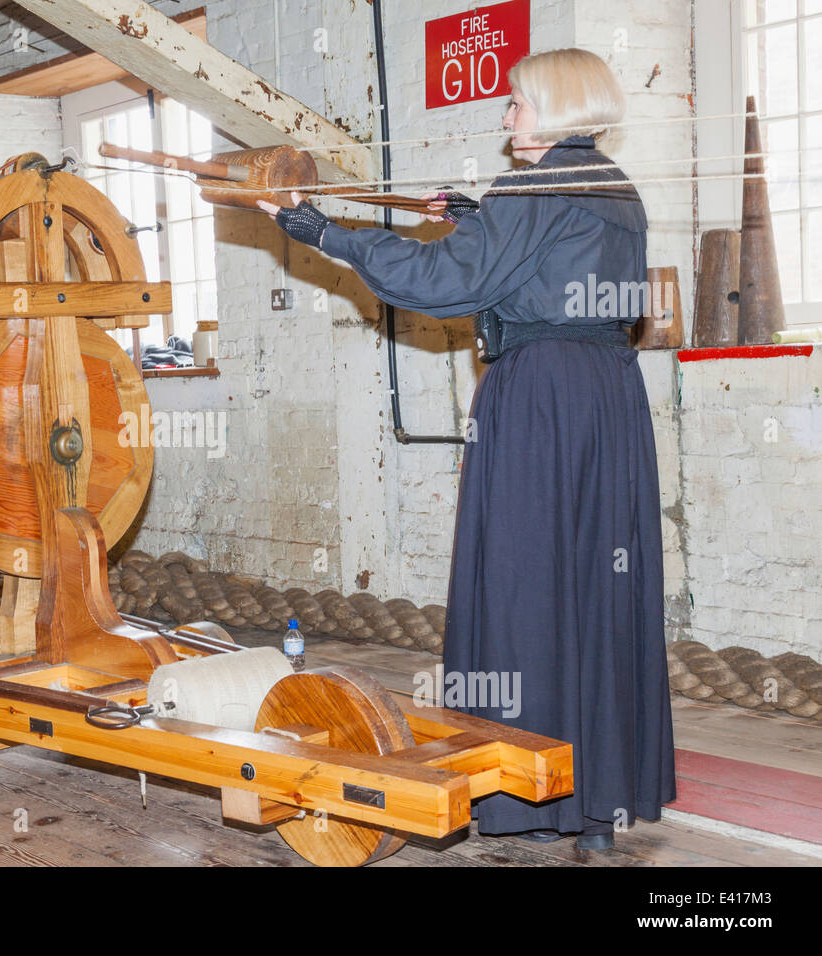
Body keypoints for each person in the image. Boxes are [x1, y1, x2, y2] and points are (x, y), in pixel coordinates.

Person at [261, 48, 676, 851]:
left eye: (517, 104)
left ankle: (528, 797)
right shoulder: (615, 189)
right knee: (595, 588)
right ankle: (598, 807)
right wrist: (481, 218)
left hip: (540, 399)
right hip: (608, 396)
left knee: (526, 581)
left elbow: (447, 285)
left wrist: (327, 235)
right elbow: (552, 266)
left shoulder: (535, 186)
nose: (507, 118)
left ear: (552, 109)